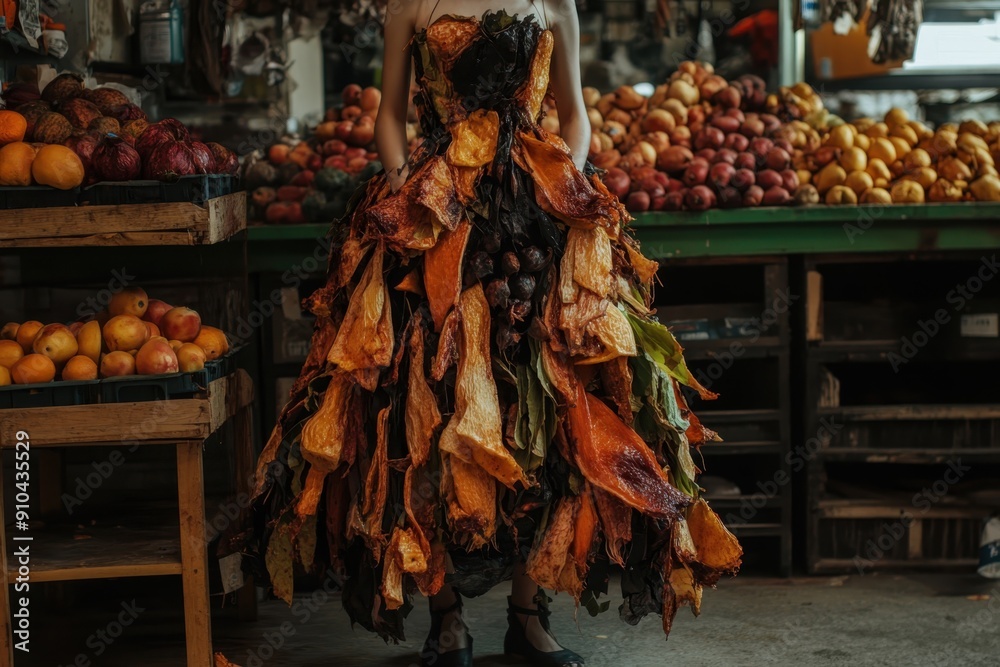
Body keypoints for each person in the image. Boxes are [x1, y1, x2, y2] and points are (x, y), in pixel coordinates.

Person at [249, 0, 743, 664]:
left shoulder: (551, 3)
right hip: (433, 214)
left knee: (548, 420)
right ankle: (446, 617)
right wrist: (407, 185)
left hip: (536, 217)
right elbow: (389, 116)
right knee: (426, 420)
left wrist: (569, 178)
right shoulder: (411, 4)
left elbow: (576, 110)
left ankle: (527, 613)